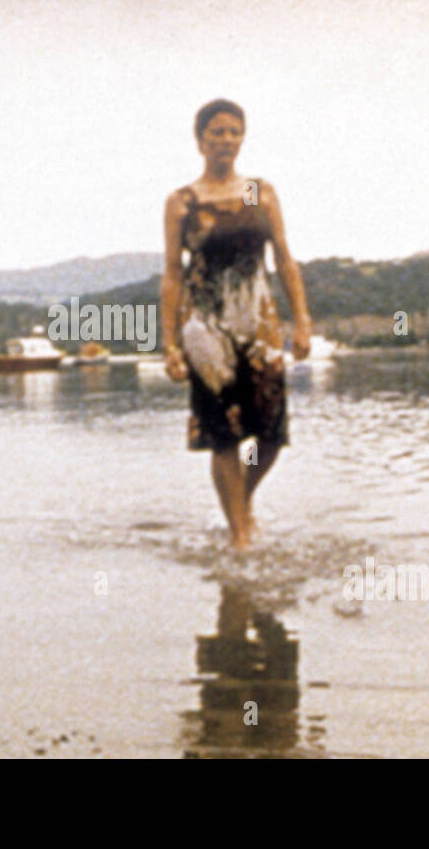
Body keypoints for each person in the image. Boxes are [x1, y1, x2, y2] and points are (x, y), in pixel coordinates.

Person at [160, 99, 312, 550]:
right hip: (205, 327)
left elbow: (283, 257)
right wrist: (169, 344)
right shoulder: (183, 202)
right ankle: (240, 533)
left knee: (270, 432)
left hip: (259, 323)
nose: (226, 140)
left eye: (233, 132)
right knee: (224, 434)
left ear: (242, 138)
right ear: (200, 139)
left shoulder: (256, 193)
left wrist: (301, 320)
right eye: (217, 132)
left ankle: (239, 502)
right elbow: (171, 274)